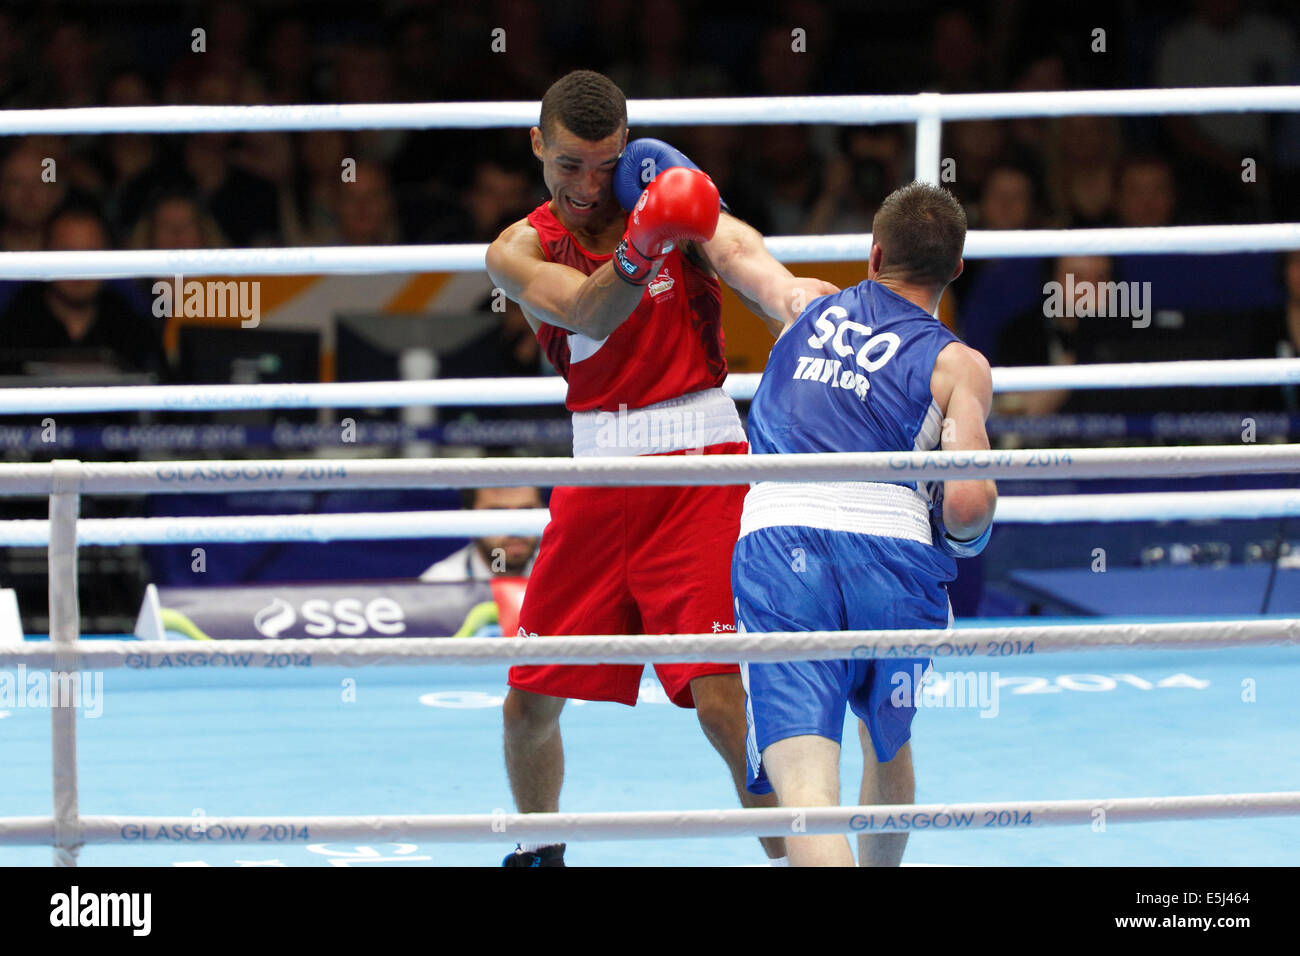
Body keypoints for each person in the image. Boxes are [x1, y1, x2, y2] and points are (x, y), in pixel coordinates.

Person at [488, 70, 835, 867]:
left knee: (723, 702)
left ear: (627, 147)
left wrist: (786, 296)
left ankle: (801, 860)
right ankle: (541, 851)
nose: (586, 184)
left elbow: (736, 244)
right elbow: (586, 313)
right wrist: (644, 244)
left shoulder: (663, 188)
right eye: (568, 162)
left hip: (702, 472)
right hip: (598, 481)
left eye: (603, 164)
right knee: (528, 704)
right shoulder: (519, 247)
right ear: (538, 145)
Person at [731, 182, 997, 867]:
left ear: (874, 254)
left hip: (782, 541)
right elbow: (968, 506)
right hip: (896, 555)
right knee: (887, 740)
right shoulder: (958, 364)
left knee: (809, 791)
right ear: (956, 269)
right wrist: (962, 541)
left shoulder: (805, 308)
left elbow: (729, 246)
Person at [420, 486, 542, 582]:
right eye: (498, 513)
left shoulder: (559, 576)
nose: (515, 529)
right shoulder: (440, 584)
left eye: (527, 511)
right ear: (468, 521)